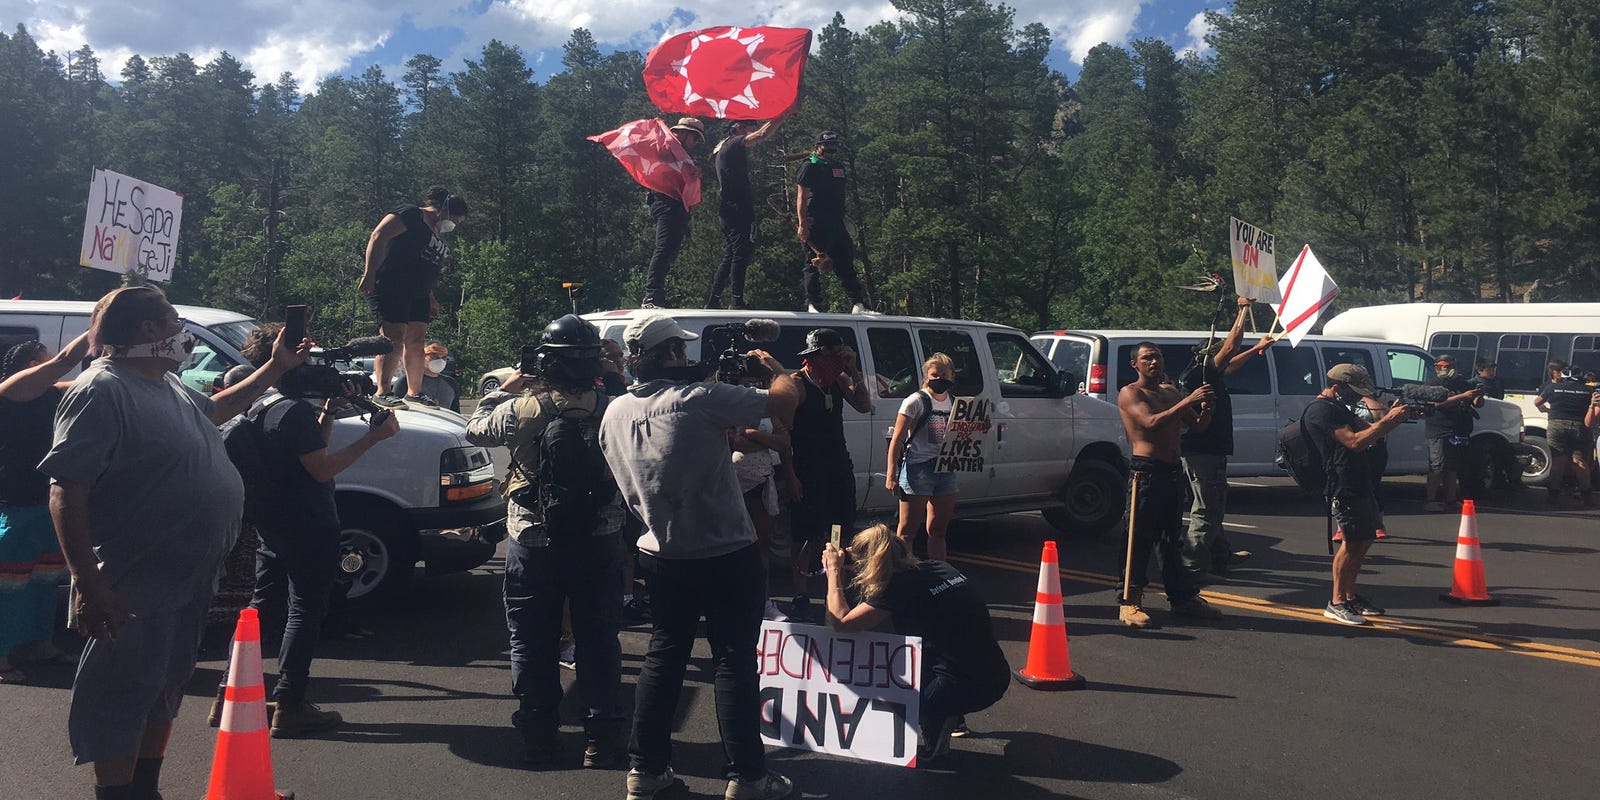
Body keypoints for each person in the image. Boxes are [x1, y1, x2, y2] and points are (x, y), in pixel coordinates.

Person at [38, 286, 308, 799]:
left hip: (185, 577)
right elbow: (65, 492)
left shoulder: (168, 384)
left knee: (162, 690)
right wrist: (89, 584)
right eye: (174, 320)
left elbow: (216, 410)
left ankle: (146, 789)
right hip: (133, 581)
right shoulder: (102, 389)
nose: (181, 331)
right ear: (148, 331)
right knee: (122, 697)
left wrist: (275, 369)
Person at [596, 312, 801, 800]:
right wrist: (775, 365)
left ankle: (645, 771)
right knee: (733, 662)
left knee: (664, 656)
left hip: (660, 552)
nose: (686, 356)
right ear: (669, 354)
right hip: (726, 551)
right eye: (680, 349)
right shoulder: (700, 399)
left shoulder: (614, 411)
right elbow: (786, 404)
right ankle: (748, 777)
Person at [211, 324, 399, 738]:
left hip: (273, 521)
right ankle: (291, 703)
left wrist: (329, 412)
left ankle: (229, 691)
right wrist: (374, 437)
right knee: (304, 612)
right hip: (309, 523)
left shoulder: (260, 405)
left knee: (262, 608)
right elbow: (321, 469)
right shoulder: (292, 411)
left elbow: (307, 450)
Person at [466, 314, 629, 768]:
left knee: (531, 639)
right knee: (600, 638)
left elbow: (475, 427)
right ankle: (602, 736)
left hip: (534, 539)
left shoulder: (522, 410)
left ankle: (538, 734)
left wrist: (506, 386)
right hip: (599, 536)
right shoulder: (615, 406)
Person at [821, 524, 1009, 764]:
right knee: (941, 649)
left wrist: (834, 571)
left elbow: (841, 623)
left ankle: (939, 717)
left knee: (878, 691)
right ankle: (949, 709)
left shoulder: (899, 588)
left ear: (871, 565)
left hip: (965, 686)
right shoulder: (938, 567)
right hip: (996, 674)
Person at [0, 333, 89, 684]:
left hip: (45, 501)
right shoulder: (11, 390)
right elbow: (65, 362)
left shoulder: (51, 394)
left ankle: (38, 643)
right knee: (9, 582)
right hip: (17, 502)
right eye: (46, 357)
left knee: (43, 580)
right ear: (33, 365)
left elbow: (77, 381)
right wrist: (98, 329)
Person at [1301, 364, 1418, 626]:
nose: (1358, 397)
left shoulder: (1339, 408)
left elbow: (1369, 432)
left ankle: (1350, 596)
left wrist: (1393, 419)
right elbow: (1354, 441)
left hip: (1360, 480)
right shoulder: (1321, 410)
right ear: (1336, 387)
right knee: (1352, 543)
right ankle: (1337, 601)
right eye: (1354, 391)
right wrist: (1387, 421)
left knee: (1364, 540)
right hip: (1343, 484)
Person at [1114, 342, 1219, 628]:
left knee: (1170, 540)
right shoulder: (1130, 393)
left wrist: (1206, 410)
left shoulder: (1170, 392)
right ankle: (1129, 601)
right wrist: (1188, 400)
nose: (1154, 362)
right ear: (1135, 364)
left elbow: (1196, 426)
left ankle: (1181, 597)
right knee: (1138, 538)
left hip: (1172, 472)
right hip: (1145, 473)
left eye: (1157, 357)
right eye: (1147, 358)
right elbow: (1149, 423)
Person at [1178, 297, 1276, 578]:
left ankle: (1220, 555)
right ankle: (1191, 566)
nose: (1226, 357)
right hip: (1204, 451)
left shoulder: (1203, 372)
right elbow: (1231, 347)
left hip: (1206, 450)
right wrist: (1243, 309)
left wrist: (1258, 348)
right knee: (1207, 510)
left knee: (1214, 504)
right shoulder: (1202, 372)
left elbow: (1231, 362)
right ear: (1208, 357)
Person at [785, 328, 873, 622]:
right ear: (813, 356)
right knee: (806, 532)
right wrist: (791, 475)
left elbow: (864, 406)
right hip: (807, 468)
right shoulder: (797, 384)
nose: (832, 362)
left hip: (836, 464)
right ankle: (800, 592)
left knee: (838, 528)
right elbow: (783, 433)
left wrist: (855, 372)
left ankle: (834, 586)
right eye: (829, 355)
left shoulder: (839, 380)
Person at [359, 185, 469, 407]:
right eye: (454, 219)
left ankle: (414, 392)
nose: (453, 225)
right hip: (392, 285)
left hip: (418, 292)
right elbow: (378, 236)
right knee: (393, 338)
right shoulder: (411, 214)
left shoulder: (435, 230)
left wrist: (430, 297)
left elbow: (422, 266)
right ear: (444, 208)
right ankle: (383, 391)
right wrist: (369, 273)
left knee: (417, 340)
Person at [885, 353, 959, 561]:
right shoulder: (915, 401)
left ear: (952, 377)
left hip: (945, 467)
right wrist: (892, 473)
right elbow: (897, 439)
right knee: (907, 530)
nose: (939, 379)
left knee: (938, 530)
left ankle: (939, 574)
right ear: (926, 376)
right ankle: (901, 572)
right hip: (919, 467)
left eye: (944, 375)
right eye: (934, 375)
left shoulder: (954, 403)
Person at [708, 116, 785, 309]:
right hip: (739, 207)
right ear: (738, 127)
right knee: (742, 252)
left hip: (727, 207)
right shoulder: (734, 143)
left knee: (731, 254)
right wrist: (782, 115)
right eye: (751, 125)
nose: (753, 129)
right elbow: (762, 135)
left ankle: (713, 300)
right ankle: (737, 301)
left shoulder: (722, 147)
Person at [794, 131, 871, 314]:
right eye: (827, 146)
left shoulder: (838, 166)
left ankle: (858, 304)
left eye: (834, 146)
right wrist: (802, 223)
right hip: (815, 222)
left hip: (837, 222)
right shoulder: (809, 166)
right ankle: (814, 305)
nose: (831, 149)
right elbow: (801, 196)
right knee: (813, 263)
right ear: (818, 146)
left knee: (846, 262)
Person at [642, 118, 706, 309]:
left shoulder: (678, 152)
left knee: (670, 250)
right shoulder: (667, 146)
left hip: (675, 203)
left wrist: (693, 174)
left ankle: (656, 294)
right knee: (664, 248)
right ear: (685, 133)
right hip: (665, 201)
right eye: (695, 138)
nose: (695, 143)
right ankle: (652, 295)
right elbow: (661, 166)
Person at [1422, 354, 1485, 512]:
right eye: (1444, 366)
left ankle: (1451, 500)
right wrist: (1462, 396)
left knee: (1452, 467)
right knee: (1437, 465)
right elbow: (1437, 404)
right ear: (1437, 367)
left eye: (1450, 366)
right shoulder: (1433, 384)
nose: (1448, 369)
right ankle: (1430, 500)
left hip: (1457, 430)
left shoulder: (1461, 383)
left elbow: (1477, 404)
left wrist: (1478, 395)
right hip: (1438, 429)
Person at [1536, 360, 1595, 506]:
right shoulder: (1588, 390)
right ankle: (1586, 496)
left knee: (1558, 461)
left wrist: (1545, 410)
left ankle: (1553, 496)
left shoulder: (1552, 388)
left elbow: (1537, 402)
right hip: (1580, 426)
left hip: (1556, 425)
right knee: (1580, 461)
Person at [389, 341, 459, 412]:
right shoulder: (406, 381)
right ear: (422, 357)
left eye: (443, 357)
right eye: (434, 356)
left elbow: (456, 412)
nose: (440, 360)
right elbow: (392, 408)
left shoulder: (451, 383)